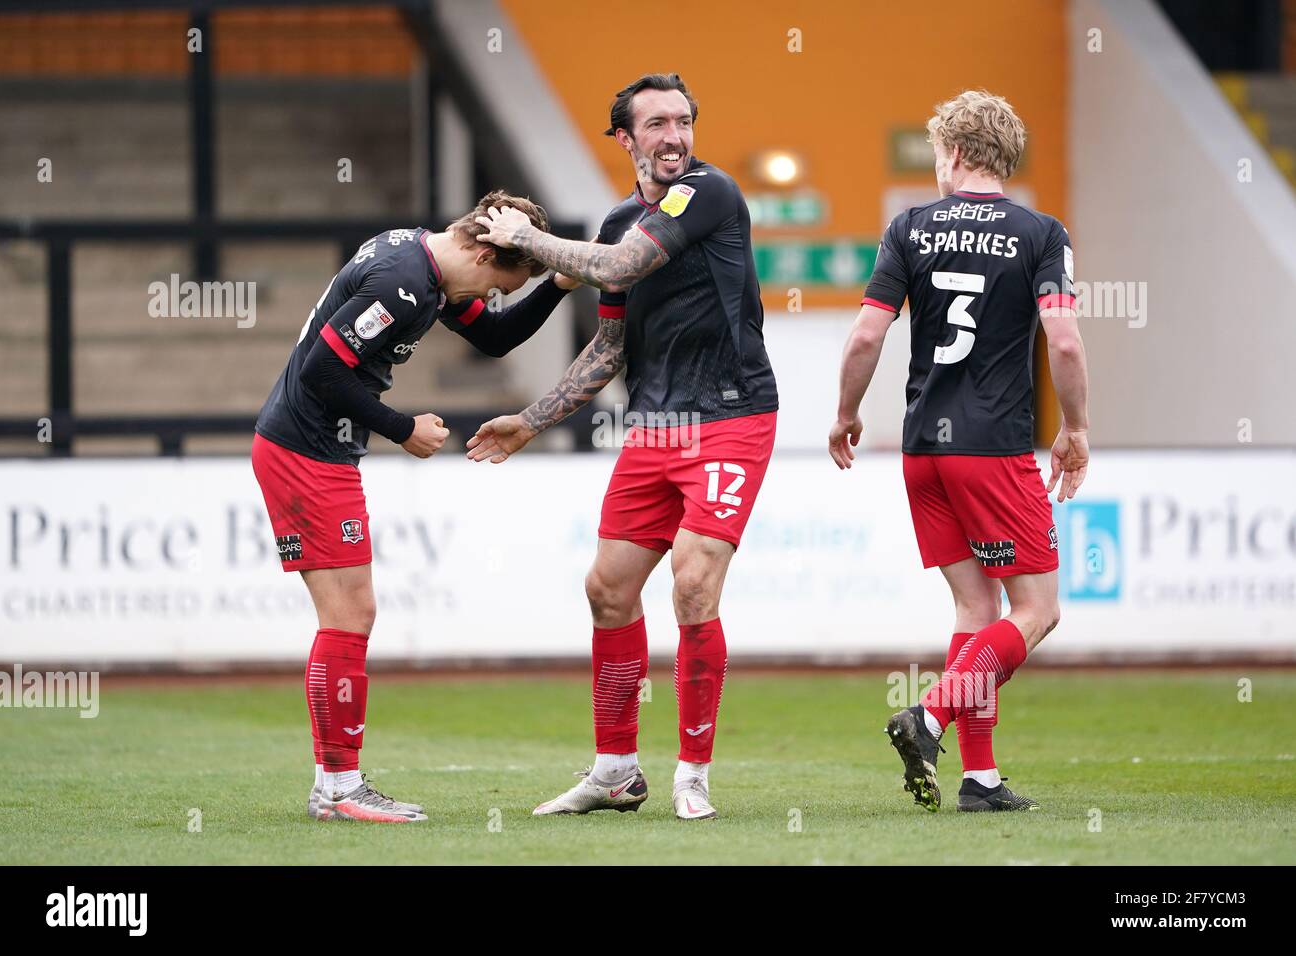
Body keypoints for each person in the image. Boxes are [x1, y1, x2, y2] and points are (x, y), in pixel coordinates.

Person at [464, 73, 778, 820]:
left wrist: (523, 236)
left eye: (683, 121)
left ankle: (692, 773)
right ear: (625, 139)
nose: (674, 136)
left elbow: (617, 268)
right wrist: (531, 420)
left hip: (732, 418)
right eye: (657, 124)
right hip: (655, 428)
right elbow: (608, 347)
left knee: (694, 584)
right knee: (607, 590)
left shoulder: (711, 192)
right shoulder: (614, 223)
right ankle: (615, 772)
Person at [252, 190, 577, 823]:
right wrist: (401, 428)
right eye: (502, 281)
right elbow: (322, 369)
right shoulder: (405, 284)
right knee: (349, 615)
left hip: (317, 450)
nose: (495, 295)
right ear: (483, 251)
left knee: (351, 614)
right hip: (305, 452)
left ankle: (335, 782)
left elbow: (496, 336)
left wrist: (559, 281)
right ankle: (339, 787)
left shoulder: (426, 265)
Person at [830, 90, 1090, 812]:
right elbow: (1063, 339)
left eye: (938, 151)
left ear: (955, 153)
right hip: (994, 447)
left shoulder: (909, 227)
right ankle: (932, 714)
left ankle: (979, 780)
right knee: (1037, 610)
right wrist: (1077, 427)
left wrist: (845, 414)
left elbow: (864, 336)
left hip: (925, 451)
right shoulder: (1040, 232)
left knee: (975, 608)